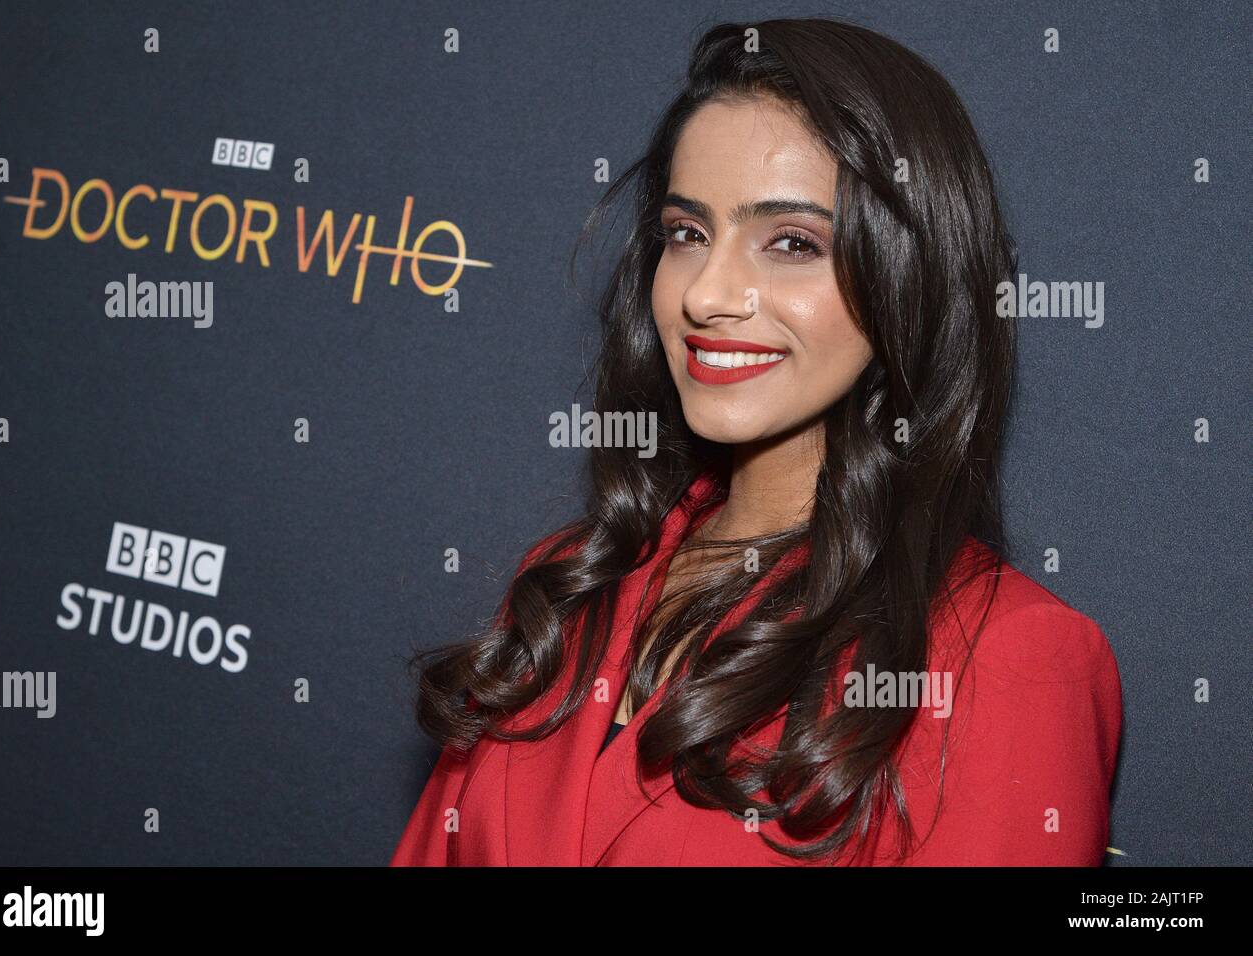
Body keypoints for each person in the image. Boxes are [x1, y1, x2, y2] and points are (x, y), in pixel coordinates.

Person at [390, 17, 1122, 866]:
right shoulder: (569, 586)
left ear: (906, 278)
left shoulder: (1012, 663)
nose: (708, 292)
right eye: (687, 233)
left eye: (791, 243)